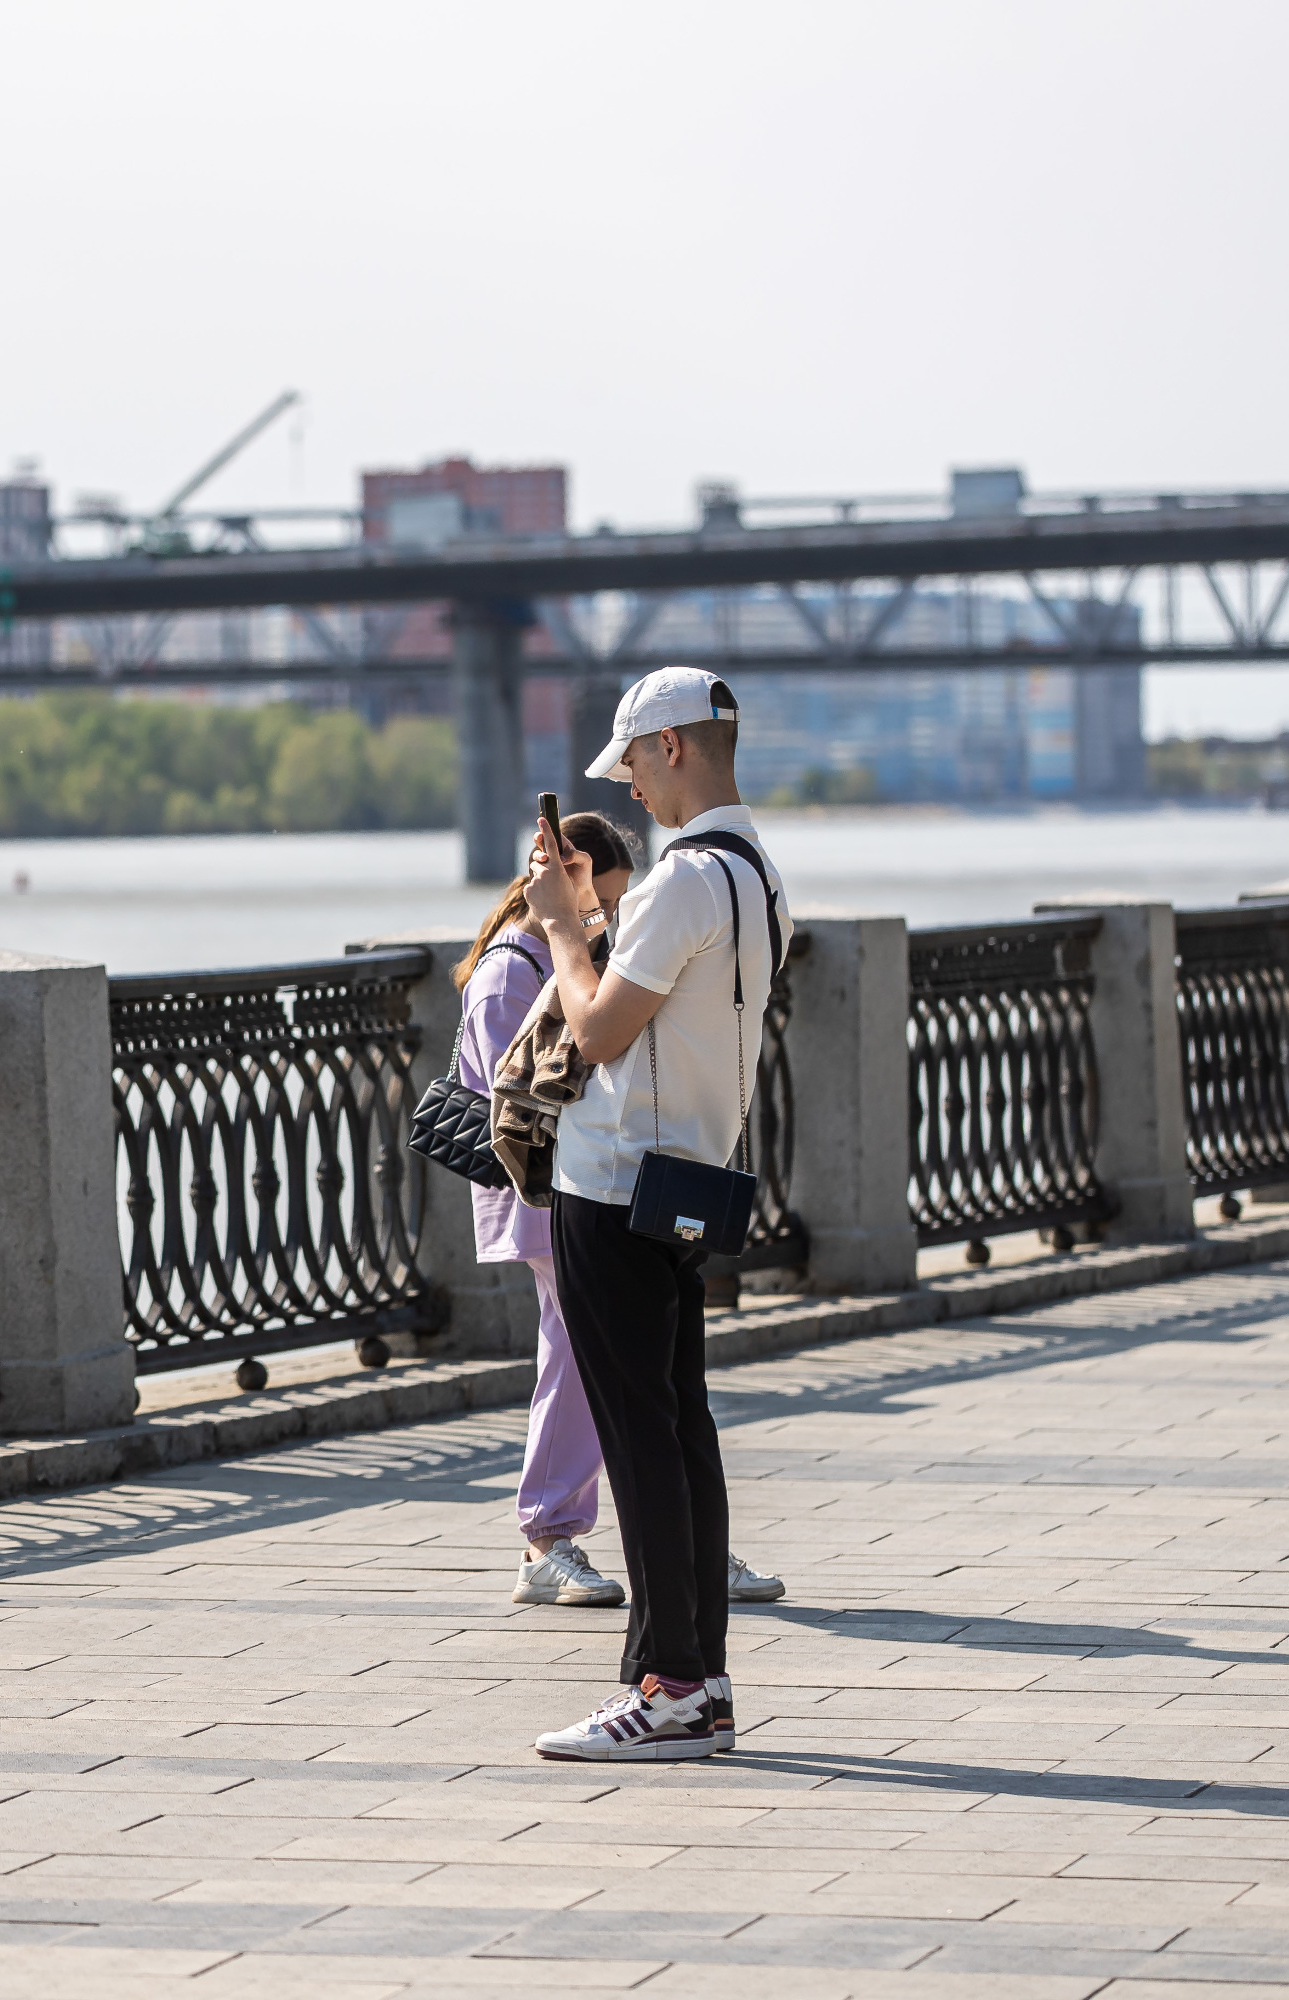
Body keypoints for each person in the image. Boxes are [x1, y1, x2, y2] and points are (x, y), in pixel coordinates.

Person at [523, 669, 792, 1763]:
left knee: (642, 1441)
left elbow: (591, 1032)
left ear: (673, 747)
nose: (628, 785)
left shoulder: (683, 879)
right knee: (682, 1431)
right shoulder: (759, 872)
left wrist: (556, 926)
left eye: (631, 761)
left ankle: (670, 1683)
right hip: (688, 1181)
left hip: (613, 1186)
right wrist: (594, 916)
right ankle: (700, 1678)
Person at [457, 812, 635, 1612]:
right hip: (540, 1189)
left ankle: (654, 1527)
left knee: (600, 1353)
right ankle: (547, 1536)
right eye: (606, 898)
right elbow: (519, 1095)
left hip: (577, 1183)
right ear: (567, 882)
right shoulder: (510, 971)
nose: (613, 917)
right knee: (577, 1355)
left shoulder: (545, 957)